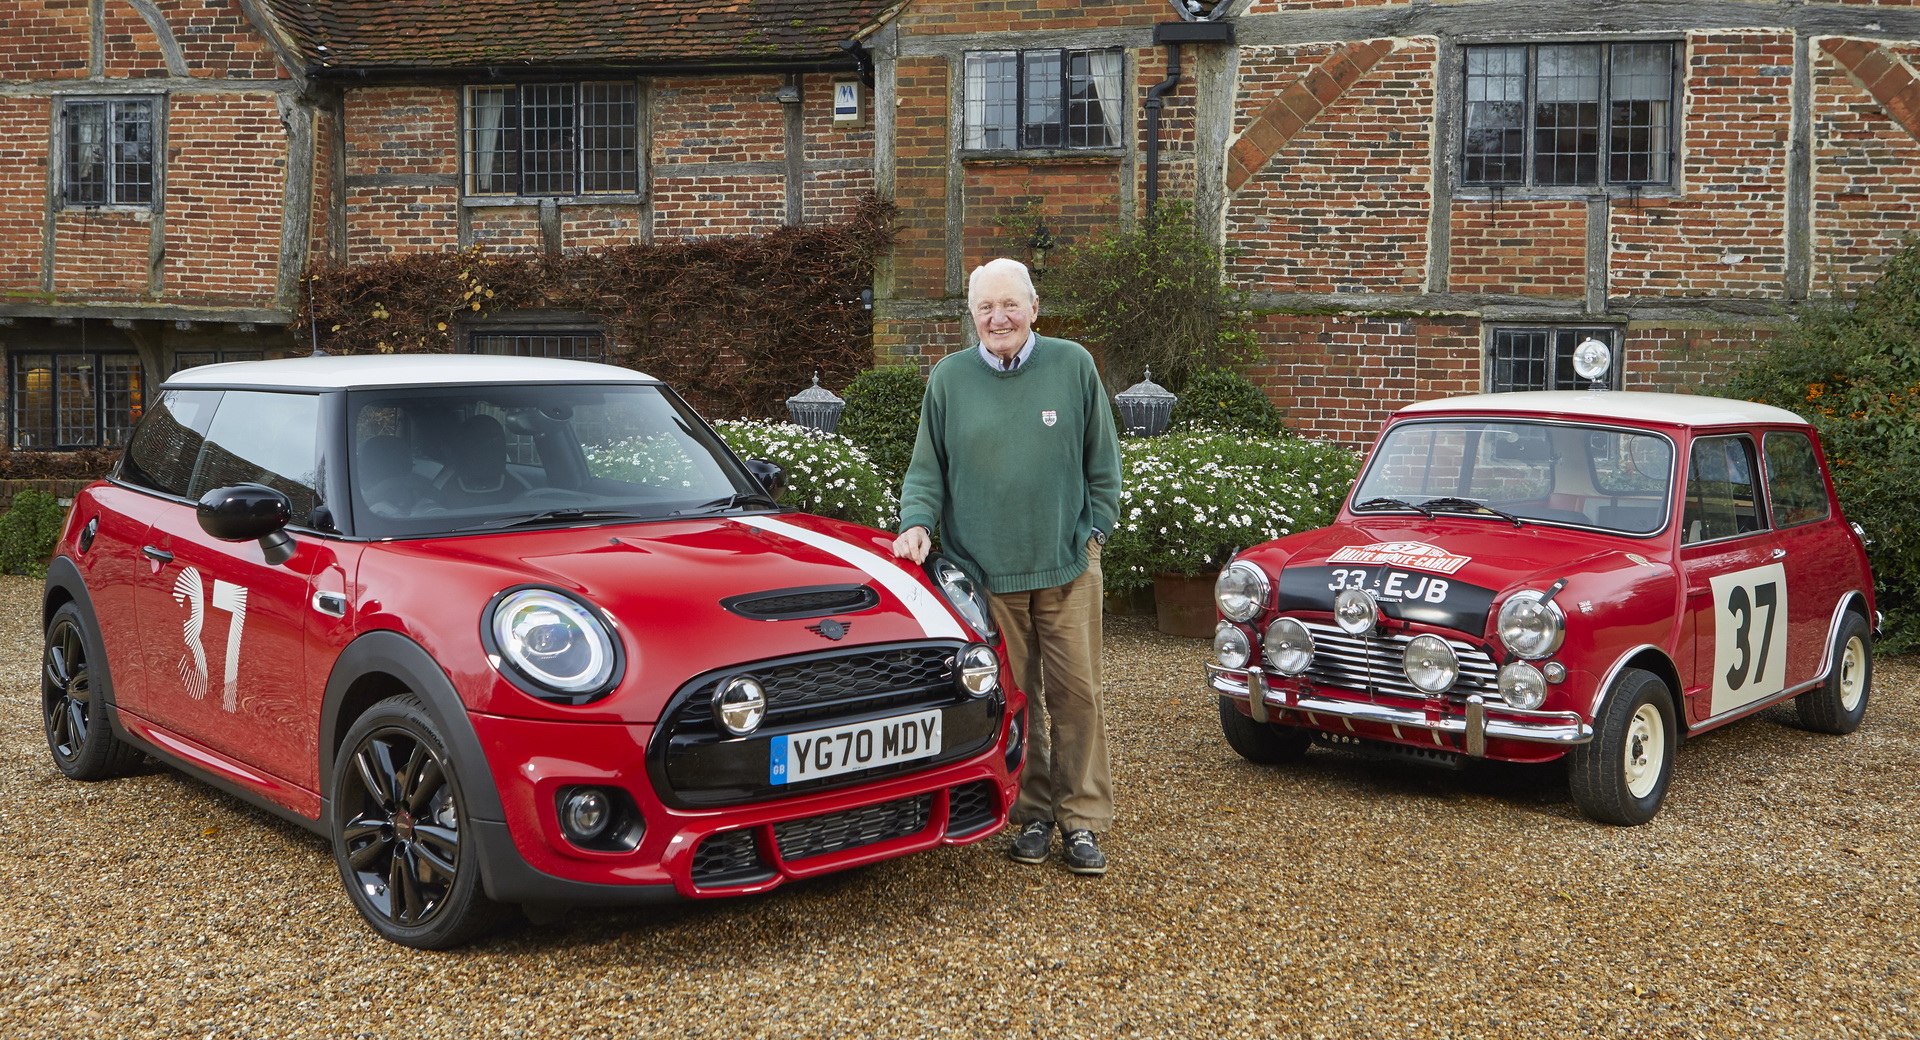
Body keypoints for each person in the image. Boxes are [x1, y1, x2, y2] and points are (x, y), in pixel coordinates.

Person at [892, 257, 1122, 875]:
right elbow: (926, 470)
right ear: (972, 315)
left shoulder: (1073, 365)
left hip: (1068, 565)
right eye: (986, 307)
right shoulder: (949, 379)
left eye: (1010, 304)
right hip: (986, 576)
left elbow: (1104, 464)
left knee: (1078, 695)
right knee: (1015, 700)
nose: (999, 318)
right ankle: (1033, 813)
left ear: (1034, 308)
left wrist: (1095, 534)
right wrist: (917, 523)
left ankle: (1082, 819)